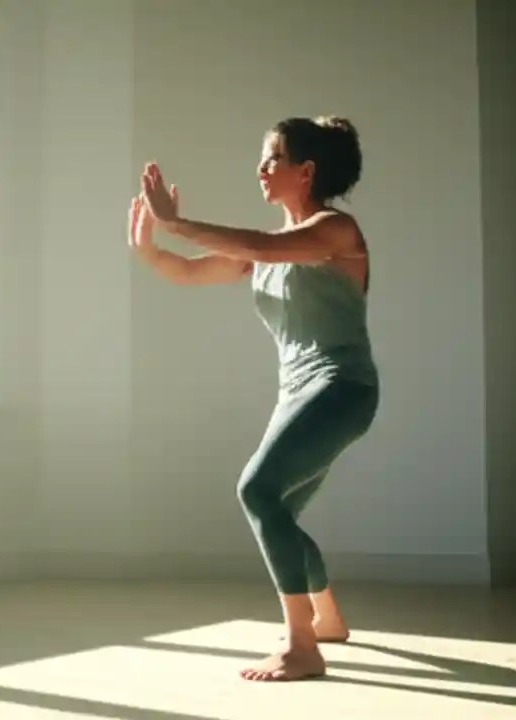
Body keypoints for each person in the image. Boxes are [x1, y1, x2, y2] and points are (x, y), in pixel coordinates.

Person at [127, 116, 379, 682]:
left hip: (342, 387)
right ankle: (328, 620)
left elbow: (261, 244)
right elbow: (190, 271)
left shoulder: (336, 231)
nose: (261, 169)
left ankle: (302, 646)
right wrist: (148, 246)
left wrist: (177, 220)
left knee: (257, 491)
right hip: (297, 393)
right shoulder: (269, 250)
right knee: (279, 509)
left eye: (272, 158)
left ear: (305, 170)